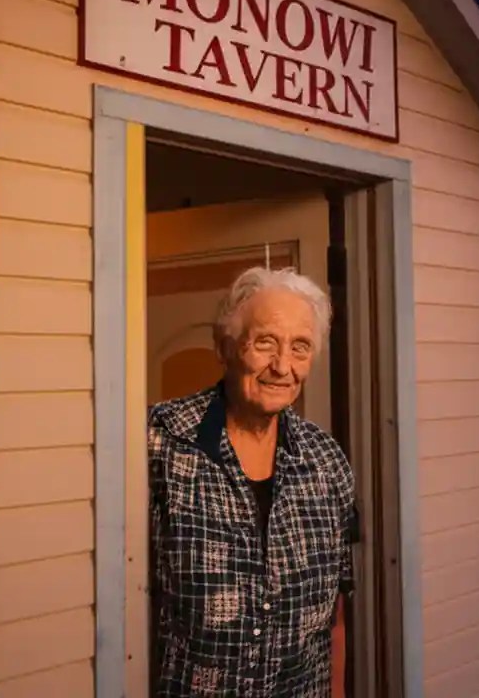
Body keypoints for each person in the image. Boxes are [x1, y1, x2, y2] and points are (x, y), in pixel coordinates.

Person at [148, 267, 355, 697]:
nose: (282, 366)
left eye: (300, 347)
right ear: (225, 347)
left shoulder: (326, 462)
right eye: (265, 343)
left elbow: (333, 622)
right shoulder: (158, 444)